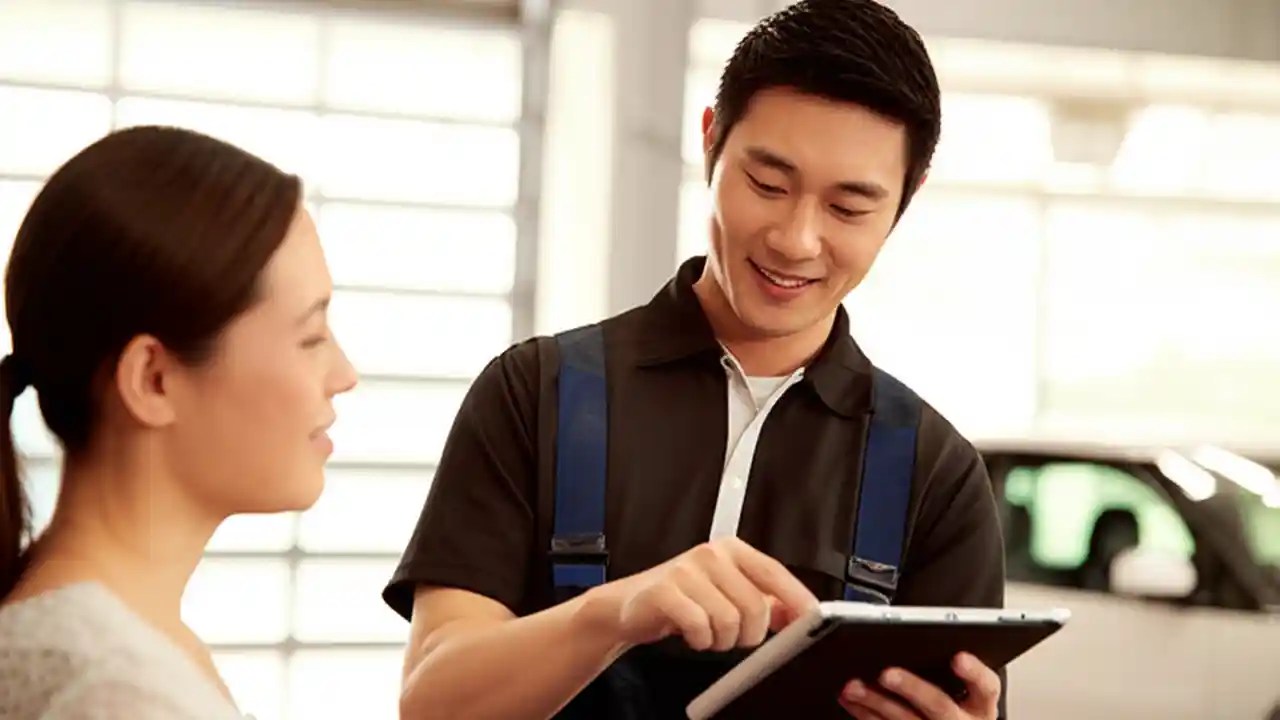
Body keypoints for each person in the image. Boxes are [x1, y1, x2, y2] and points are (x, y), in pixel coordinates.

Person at [385, 1, 1006, 718]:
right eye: (768, 184)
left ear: (905, 200)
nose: (796, 239)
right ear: (711, 140)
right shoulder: (536, 394)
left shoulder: (939, 477)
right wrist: (613, 615)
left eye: (848, 209)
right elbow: (433, 703)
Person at [0, 126, 358, 718]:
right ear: (153, 380)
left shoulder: (122, 644)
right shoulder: (110, 689)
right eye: (311, 337)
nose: (345, 372)